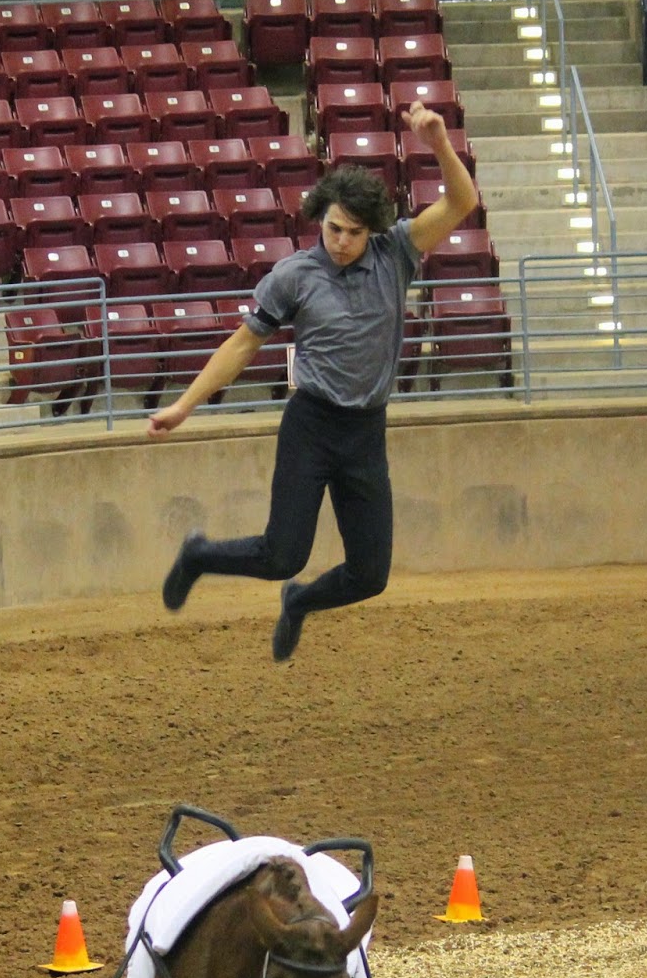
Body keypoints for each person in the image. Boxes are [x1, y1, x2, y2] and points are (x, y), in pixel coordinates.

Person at [151, 101, 480, 661]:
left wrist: (439, 143)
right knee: (282, 554)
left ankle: (299, 603)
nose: (342, 240)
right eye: (333, 228)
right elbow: (242, 343)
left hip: (366, 430)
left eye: (354, 231)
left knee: (370, 574)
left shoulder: (394, 252)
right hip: (312, 424)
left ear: (371, 229)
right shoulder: (294, 276)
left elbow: (461, 202)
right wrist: (184, 406)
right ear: (317, 218)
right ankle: (198, 556)